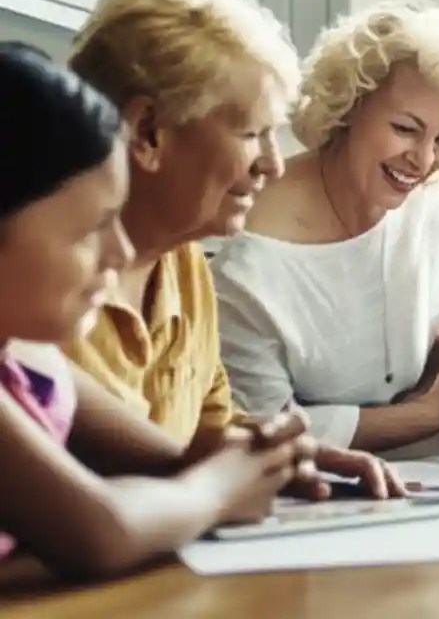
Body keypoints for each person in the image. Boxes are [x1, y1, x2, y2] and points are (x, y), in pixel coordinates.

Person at [61, 0, 401, 497]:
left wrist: (291, 458)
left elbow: (205, 430)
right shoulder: (31, 280)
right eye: (251, 134)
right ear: (147, 132)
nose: (274, 164)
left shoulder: (187, 265)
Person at [0, 43, 313, 578]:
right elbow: (102, 531)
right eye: (90, 229)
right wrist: (218, 489)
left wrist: (268, 462)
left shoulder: (28, 357)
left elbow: (167, 457)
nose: (119, 253)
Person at [210, 0, 439, 456]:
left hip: (435, 474)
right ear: (348, 106)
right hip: (308, 490)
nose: (424, 161)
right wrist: (424, 414)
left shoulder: (428, 204)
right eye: (406, 128)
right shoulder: (249, 262)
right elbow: (266, 430)